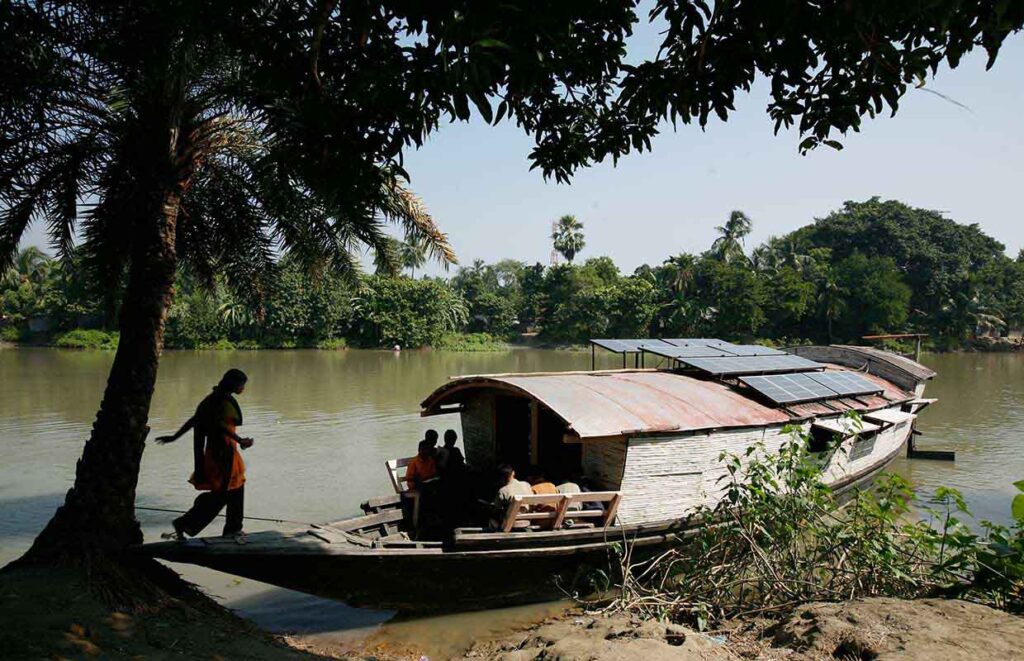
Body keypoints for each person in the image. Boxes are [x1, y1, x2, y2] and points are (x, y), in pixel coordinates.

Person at [156, 369, 253, 539]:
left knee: (236, 489)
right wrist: (240, 439)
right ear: (235, 384)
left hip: (226, 451)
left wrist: (174, 437)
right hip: (221, 454)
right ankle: (185, 523)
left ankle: (232, 528)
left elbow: (195, 419)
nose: (243, 388)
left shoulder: (213, 399)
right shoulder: (219, 401)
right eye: (242, 385)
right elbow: (218, 424)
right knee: (222, 493)